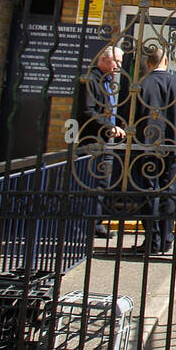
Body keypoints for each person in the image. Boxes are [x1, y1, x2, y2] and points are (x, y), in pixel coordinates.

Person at [130, 44, 176, 254]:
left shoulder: (142, 84)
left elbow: (131, 116)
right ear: (166, 62)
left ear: (148, 64)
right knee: (169, 191)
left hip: (148, 145)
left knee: (149, 190)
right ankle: (168, 239)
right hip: (172, 145)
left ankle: (153, 239)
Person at [72, 45, 130, 237]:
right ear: (104, 60)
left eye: (121, 62)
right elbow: (88, 112)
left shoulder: (107, 82)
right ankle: (82, 225)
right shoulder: (90, 80)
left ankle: (97, 223)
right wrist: (109, 126)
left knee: (103, 183)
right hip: (92, 140)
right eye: (117, 61)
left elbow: (109, 110)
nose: (119, 66)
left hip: (107, 141)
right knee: (89, 182)